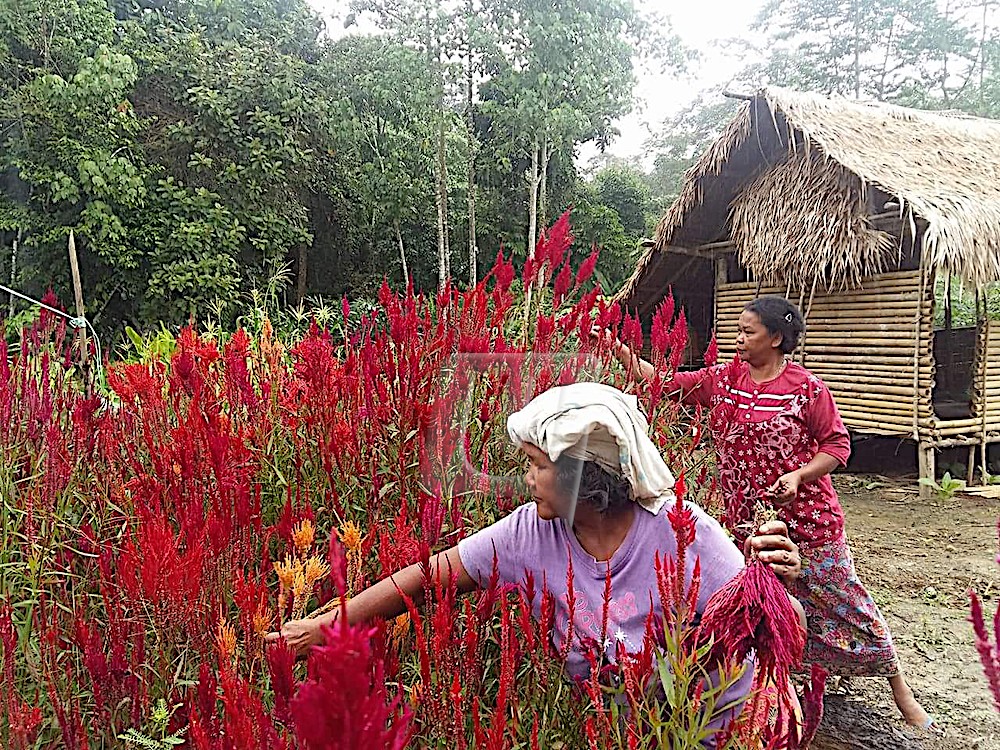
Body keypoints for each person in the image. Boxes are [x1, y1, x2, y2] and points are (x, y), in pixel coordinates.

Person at [268, 382, 805, 745]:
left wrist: (777, 585)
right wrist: (329, 625)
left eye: (536, 465)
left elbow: (783, 635)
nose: (525, 478)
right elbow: (430, 578)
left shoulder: (686, 532)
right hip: (625, 732)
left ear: (581, 475)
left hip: (715, 729)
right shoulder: (530, 531)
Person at [601, 295, 933, 729]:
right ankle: (781, 692)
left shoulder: (806, 390)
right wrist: (620, 351)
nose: (738, 339)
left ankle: (899, 687)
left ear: (775, 338)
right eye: (738, 331)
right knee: (765, 611)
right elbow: (663, 382)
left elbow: (837, 445)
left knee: (844, 601)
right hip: (749, 525)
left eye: (748, 332)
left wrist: (798, 476)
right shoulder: (724, 379)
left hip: (810, 521)